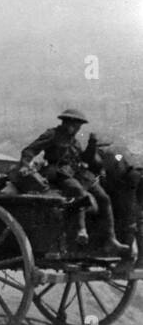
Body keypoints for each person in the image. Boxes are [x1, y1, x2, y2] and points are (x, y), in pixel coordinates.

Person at [20, 109, 129, 254]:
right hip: (58, 174)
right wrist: (25, 165)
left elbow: (85, 159)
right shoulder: (52, 134)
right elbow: (29, 150)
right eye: (76, 125)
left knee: (104, 198)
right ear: (67, 123)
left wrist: (92, 144)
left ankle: (111, 240)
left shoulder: (74, 140)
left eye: (79, 126)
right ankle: (81, 230)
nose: (78, 128)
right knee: (79, 192)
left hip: (77, 173)